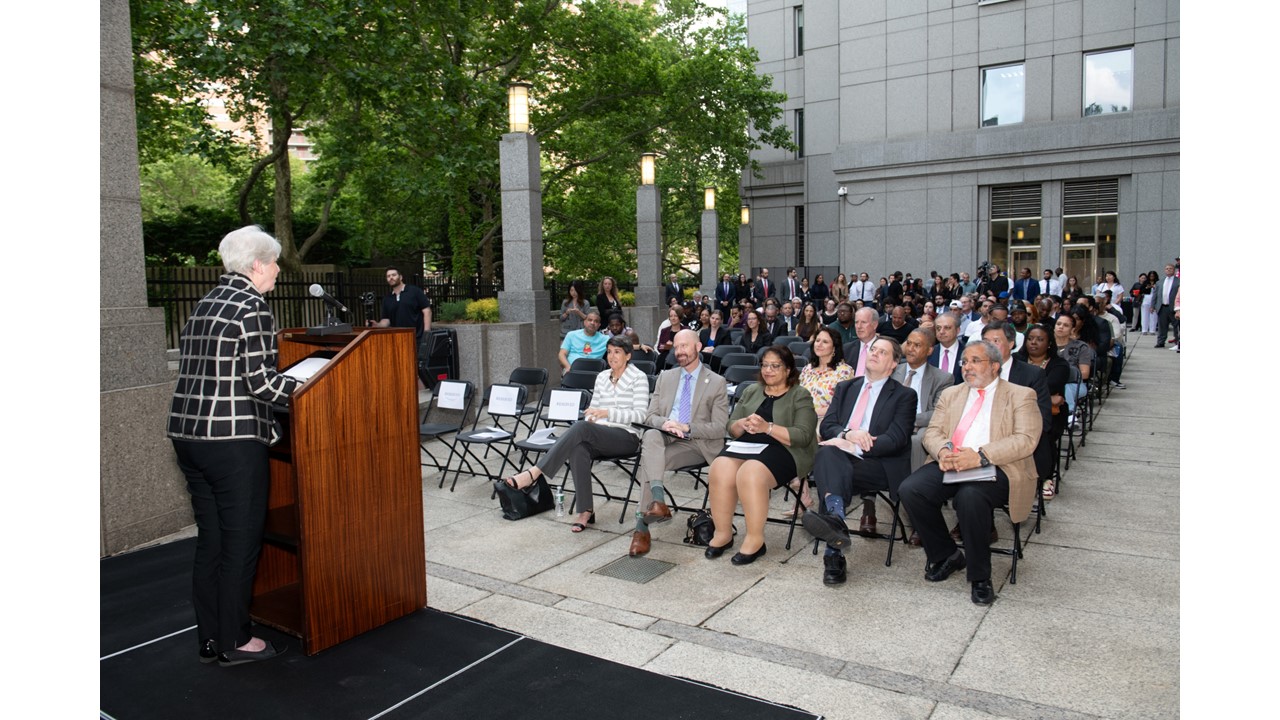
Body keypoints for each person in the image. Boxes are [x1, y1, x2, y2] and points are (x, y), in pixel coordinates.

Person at [168, 226, 303, 666]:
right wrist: (312, 389)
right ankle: (236, 640)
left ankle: (210, 638)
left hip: (189, 439)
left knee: (212, 541)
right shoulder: (252, 306)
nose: (278, 270)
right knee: (241, 543)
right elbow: (262, 384)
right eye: (275, 262)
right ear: (258, 265)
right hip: (232, 443)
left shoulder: (205, 303)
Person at [898, 340, 1041, 605]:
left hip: (997, 466)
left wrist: (980, 456)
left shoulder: (1020, 395)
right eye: (964, 361)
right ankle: (947, 555)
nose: (967, 367)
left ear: (995, 366)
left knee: (970, 497)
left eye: (975, 361)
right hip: (952, 461)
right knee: (911, 489)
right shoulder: (952, 394)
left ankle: (980, 576)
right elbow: (933, 432)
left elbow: (1025, 440)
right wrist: (943, 452)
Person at [502, 336, 648, 532]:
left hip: (627, 436)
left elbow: (640, 415)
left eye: (617, 352)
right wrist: (593, 417)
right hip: (600, 433)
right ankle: (585, 510)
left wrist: (607, 413)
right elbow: (593, 410)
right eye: (609, 352)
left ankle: (534, 473)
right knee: (578, 448)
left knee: (581, 428)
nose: (611, 356)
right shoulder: (602, 377)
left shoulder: (638, 377)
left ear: (628, 355)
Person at [801, 337, 916, 584]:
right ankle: (835, 531)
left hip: (878, 464)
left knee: (829, 463)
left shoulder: (904, 395)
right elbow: (829, 426)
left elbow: (896, 439)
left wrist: (854, 444)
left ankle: (834, 529)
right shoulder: (846, 387)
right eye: (873, 349)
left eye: (882, 352)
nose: (874, 353)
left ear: (894, 364)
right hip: (840, 458)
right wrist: (846, 435)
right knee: (828, 455)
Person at [706, 345, 818, 564]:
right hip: (747, 445)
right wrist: (741, 423)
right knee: (719, 467)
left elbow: (803, 436)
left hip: (785, 448)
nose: (768, 370)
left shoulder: (800, 395)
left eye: (775, 366)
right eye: (765, 365)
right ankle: (723, 533)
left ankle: (755, 540)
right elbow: (731, 426)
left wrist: (767, 428)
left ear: (788, 370)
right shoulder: (752, 390)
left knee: (750, 472)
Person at [629, 330, 731, 556]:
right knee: (651, 435)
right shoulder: (666, 377)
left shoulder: (716, 382)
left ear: (698, 346)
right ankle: (658, 501)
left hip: (696, 442)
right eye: (676, 347)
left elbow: (719, 427)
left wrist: (687, 427)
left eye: (684, 346)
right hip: (666, 433)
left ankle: (641, 528)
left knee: (649, 461)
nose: (679, 351)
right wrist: (666, 423)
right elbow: (650, 416)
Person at [1016, 324, 1069, 499]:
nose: (1034, 343)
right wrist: (1046, 397)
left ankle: (1046, 477)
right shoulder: (1016, 360)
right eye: (1030, 339)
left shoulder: (1059, 364)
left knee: (1043, 433)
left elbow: (1049, 386)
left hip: (1050, 414)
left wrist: (1041, 395)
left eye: (1040, 339)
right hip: (1016, 410)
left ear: (1049, 343)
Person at [893, 329, 955, 473]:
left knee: (920, 438)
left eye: (917, 345)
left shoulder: (942, 378)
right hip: (891, 422)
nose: (910, 349)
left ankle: (915, 481)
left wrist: (907, 420)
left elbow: (938, 413)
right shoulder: (892, 371)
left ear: (929, 350)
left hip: (920, 426)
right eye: (909, 343)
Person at [375, 266, 433, 391]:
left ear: (400, 277)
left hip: (417, 337)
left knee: (417, 370)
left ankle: (422, 395)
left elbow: (427, 311)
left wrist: (427, 333)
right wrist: (377, 325)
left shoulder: (414, 292)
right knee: (404, 369)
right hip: (398, 339)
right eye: (388, 276)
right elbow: (386, 320)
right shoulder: (387, 299)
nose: (391, 278)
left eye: (393, 275)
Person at [558, 310, 606, 374]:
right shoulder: (571, 335)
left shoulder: (605, 339)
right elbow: (562, 354)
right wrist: (568, 367)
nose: (592, 323)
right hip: (572, 370)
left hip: (593, 373)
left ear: (599, 325)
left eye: (596, 321)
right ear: (584, 322)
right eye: (590, 320)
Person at [843, 307, 881, 375]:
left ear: (875, 325)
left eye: (863, 322)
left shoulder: (884, 349)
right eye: (856, 322)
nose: (859, 326)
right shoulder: (846, 349)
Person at [929, 312, 966, 383]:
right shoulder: (929, 352)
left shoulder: (966, 351)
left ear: (958, 330)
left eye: (947, 328)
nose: (941, 332)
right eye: (938, 328)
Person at [1151, 263, 1179, 348]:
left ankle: (1178, 342)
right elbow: (1155, 294)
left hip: (1174, 307)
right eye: (1167, 268)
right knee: (1162, 326)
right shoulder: (1160, 282)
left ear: (1174, 270)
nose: (1168, 270)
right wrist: (1152, 305)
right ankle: (1161, 342)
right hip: (1162, 307)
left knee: (1177, 326)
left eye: (1170, 268)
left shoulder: (1178, 281)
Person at [1139, 270, 1159, 334]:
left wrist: (1154, 287)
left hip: (1155, 299)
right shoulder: (1145, 282)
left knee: (1154, 315)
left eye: (1153, 276)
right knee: (1144, 315)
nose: (1151, 277)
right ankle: (1144, 329)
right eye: (1150, 276)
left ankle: (1152, 330)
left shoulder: (1158, 283)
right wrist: (1147, 287)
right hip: (1146, 299)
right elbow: (1141, 291)